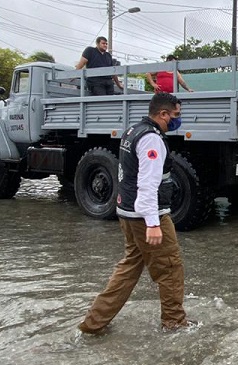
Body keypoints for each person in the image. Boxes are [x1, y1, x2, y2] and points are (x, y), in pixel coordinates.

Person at [78, 92, 196, 334]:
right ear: (163, 114)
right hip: (147, 215)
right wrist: (153, 223)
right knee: (170, 268)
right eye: (176, 115)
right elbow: (148, 183)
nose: (178, 119)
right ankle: (174, 322)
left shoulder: (133, 130)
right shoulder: (152, 139)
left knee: (129, 267)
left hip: (128, 212)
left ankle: (93, 323)